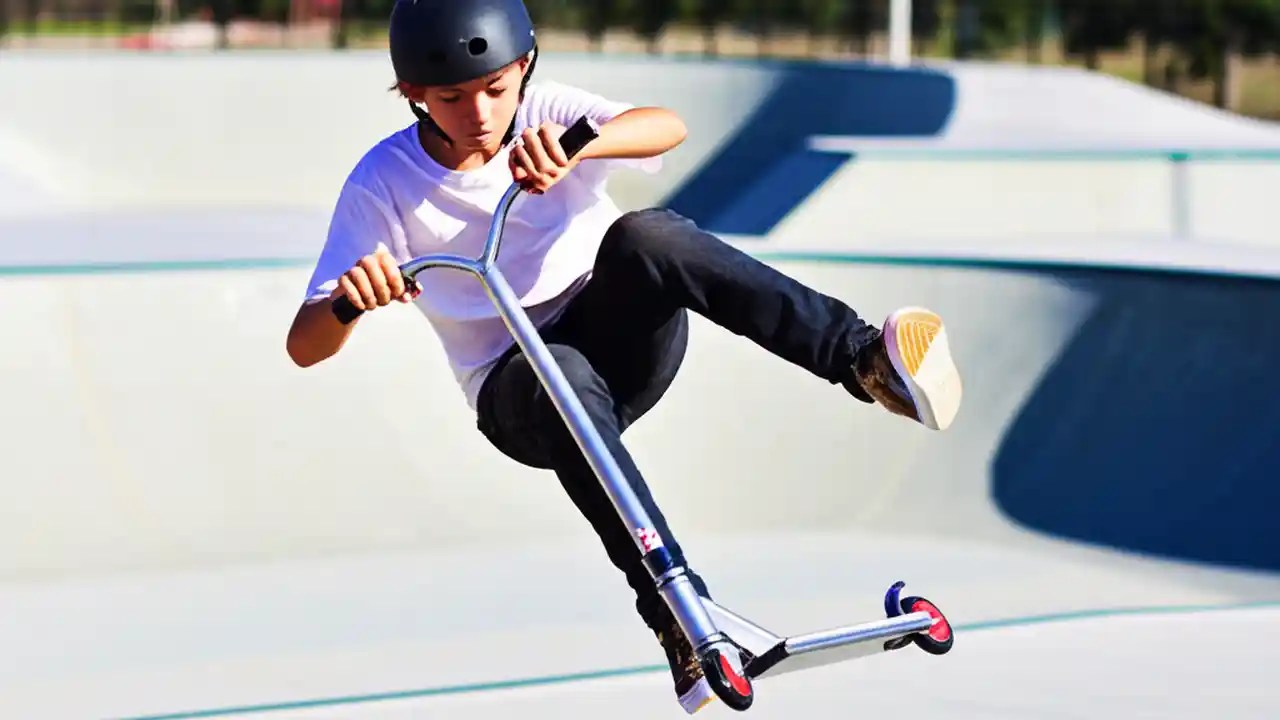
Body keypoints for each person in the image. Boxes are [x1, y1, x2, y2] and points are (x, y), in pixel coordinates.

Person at [285, 0, 963, 713]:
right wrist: (348, 303)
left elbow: (664, 126)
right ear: (414, 95)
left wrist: (581, 145)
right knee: (560, 379)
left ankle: (863, 360)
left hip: (625, 344)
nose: (481, 115)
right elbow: (305, 346)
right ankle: (676, 614)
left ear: (524, 68)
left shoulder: (543, 109)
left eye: (495, 88)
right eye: (452, 99)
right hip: (518, 396)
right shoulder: (382, 183)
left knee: (648, 235)